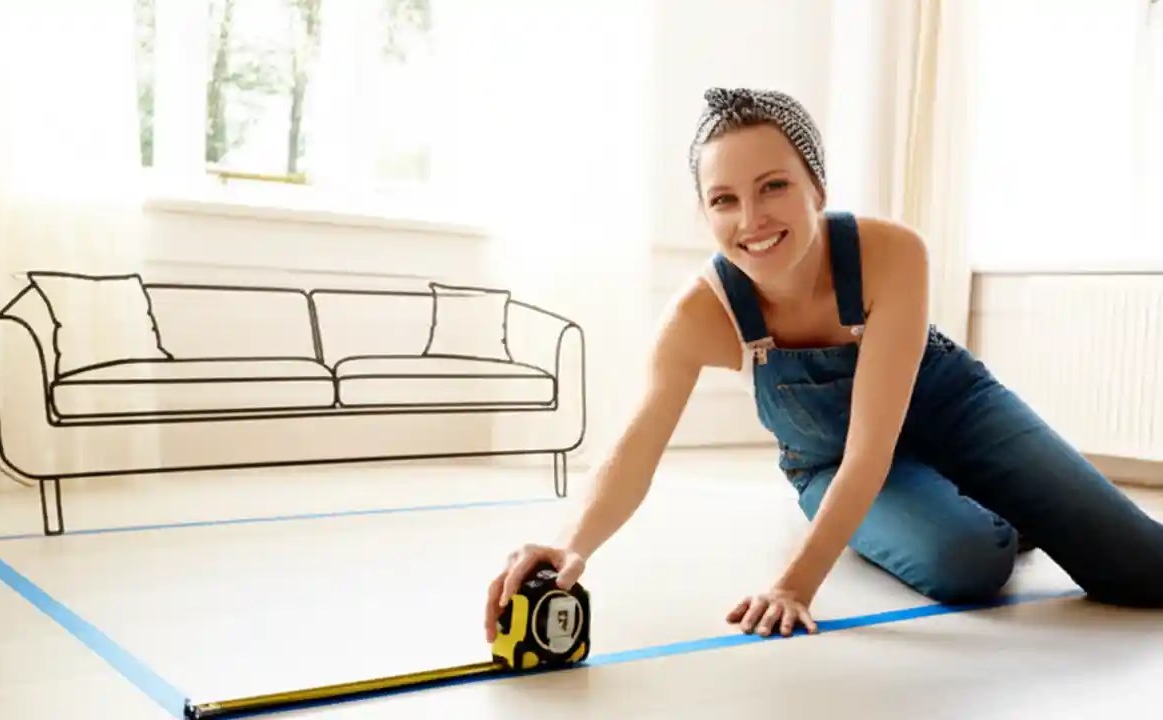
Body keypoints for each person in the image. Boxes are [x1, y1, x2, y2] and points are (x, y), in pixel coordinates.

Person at [485, 87, 1163, 641]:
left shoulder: (892, 253)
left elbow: (877, 441)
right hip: (834, 463)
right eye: (724, 199)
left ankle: (997, 491)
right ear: (704, 213)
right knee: (970, 563)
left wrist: (794, 582)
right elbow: (637, 446)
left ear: (817, 187)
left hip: (957, 414)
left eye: (773, 186)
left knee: (1144, 569)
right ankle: (981, 510)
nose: (751, 218)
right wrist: (570, 544)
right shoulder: (699, 315)